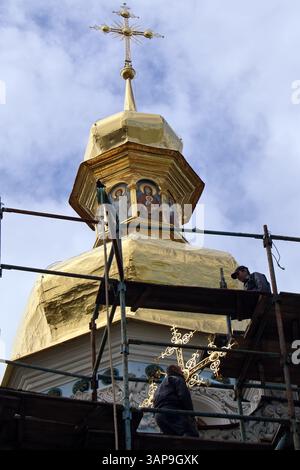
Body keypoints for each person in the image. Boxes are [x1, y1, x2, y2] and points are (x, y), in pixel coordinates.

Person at [153, 364, 199, 437]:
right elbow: (184, 396)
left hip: (158, 416)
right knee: (190, 434)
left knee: (172, 438)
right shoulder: (177, 379)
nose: (183, 372)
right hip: (172, 412)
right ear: (174, 370)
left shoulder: (159, 387)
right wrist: (191, 414)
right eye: (181, 370)